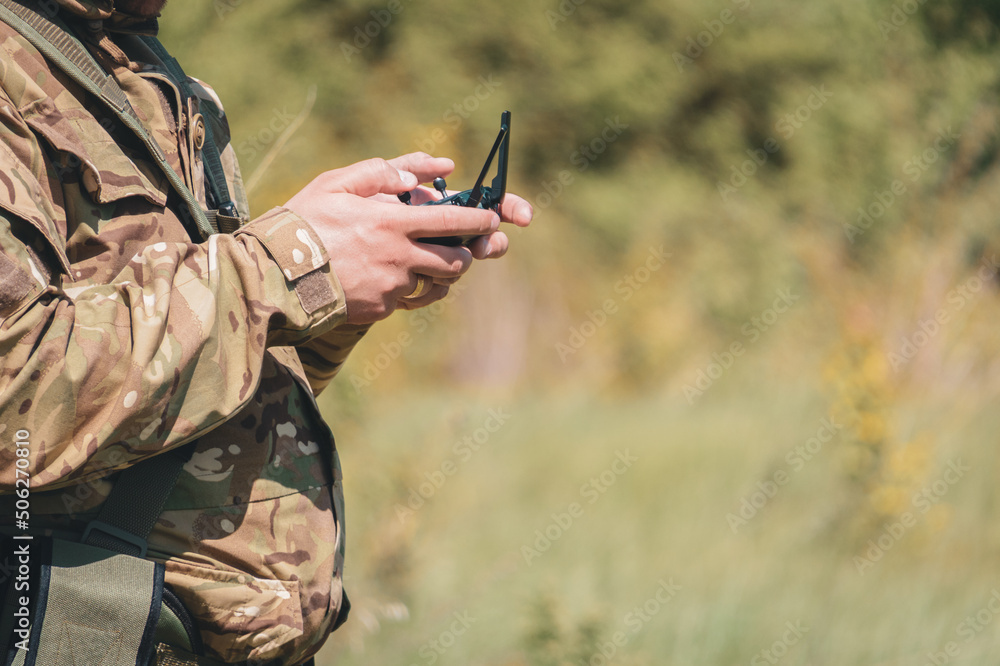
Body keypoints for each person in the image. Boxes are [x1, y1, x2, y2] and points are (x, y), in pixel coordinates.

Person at [0, 0, 532, 663]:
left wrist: (339, 287)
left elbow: (200, 393)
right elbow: (15, 402)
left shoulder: (147, 72)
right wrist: (291, 262)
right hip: (72, 630)